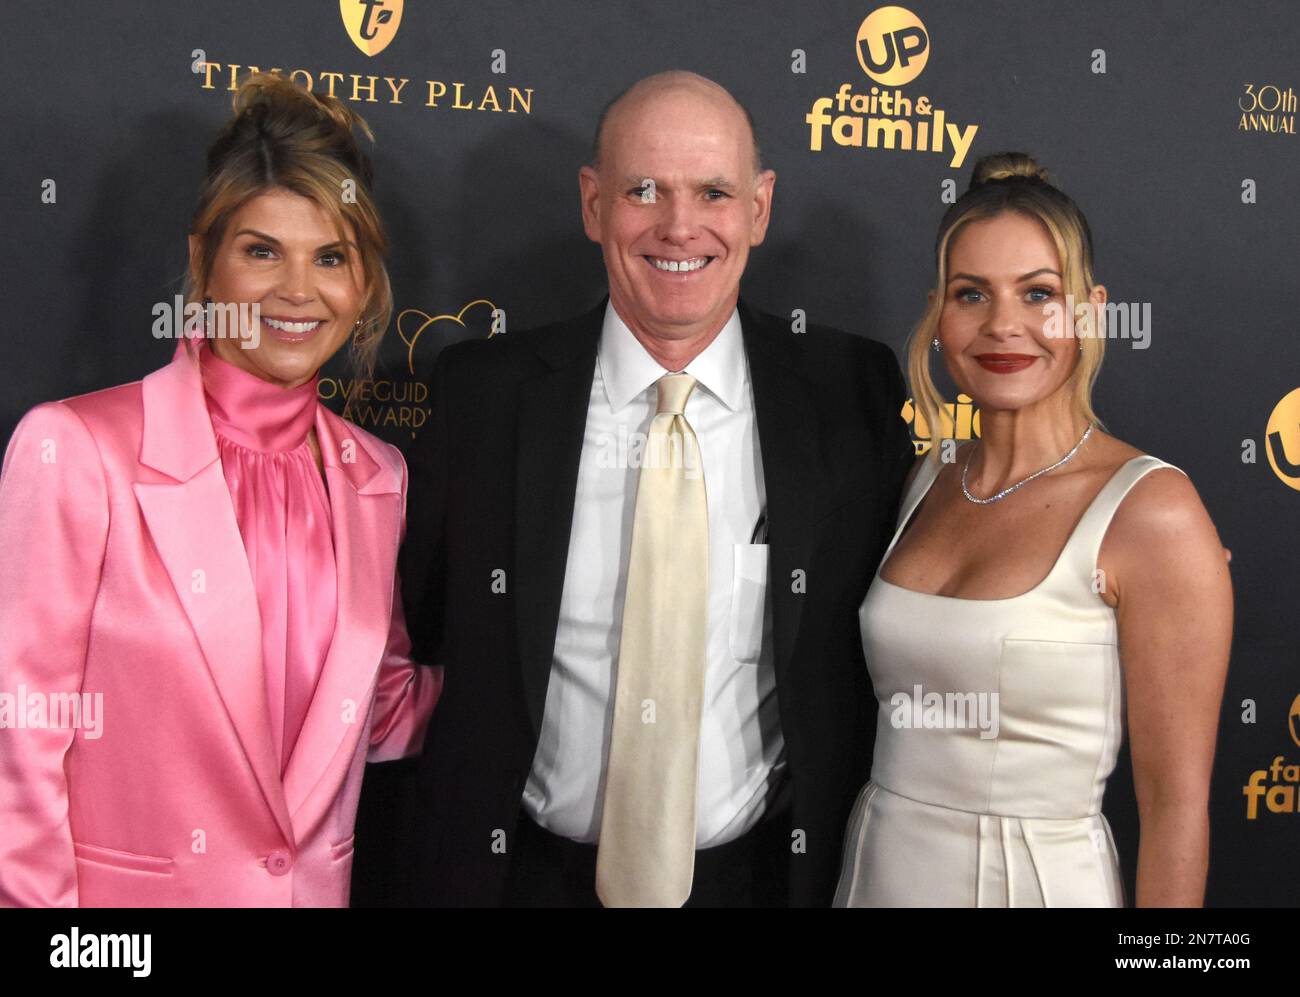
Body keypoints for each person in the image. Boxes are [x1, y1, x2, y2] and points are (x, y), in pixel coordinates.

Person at [382, 70, 914, 908]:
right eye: (643, 190)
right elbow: (410, 634)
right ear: (593, 205)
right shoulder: (483, 397)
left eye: (713, 191)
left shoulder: (851, 394)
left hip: (764, 882)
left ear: (760, 208)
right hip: (517, 878)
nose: (679, 226)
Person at [0, 74, 441, 907]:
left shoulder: (376, 477)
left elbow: (377, 712)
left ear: (366, 283)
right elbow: (19, 740)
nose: (298, 292)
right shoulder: (78, 450)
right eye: (263, 250)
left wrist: (548, 684)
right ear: (205, 260)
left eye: (331, 257)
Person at [833, 152, 1232, 907]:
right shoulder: (923, 479)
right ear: (938, 313)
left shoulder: (1152, 511)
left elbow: (1177, 810)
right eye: (972, 293)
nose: (1003, 325)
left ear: (1090, 309)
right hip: (876, 872)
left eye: (1039, 294)